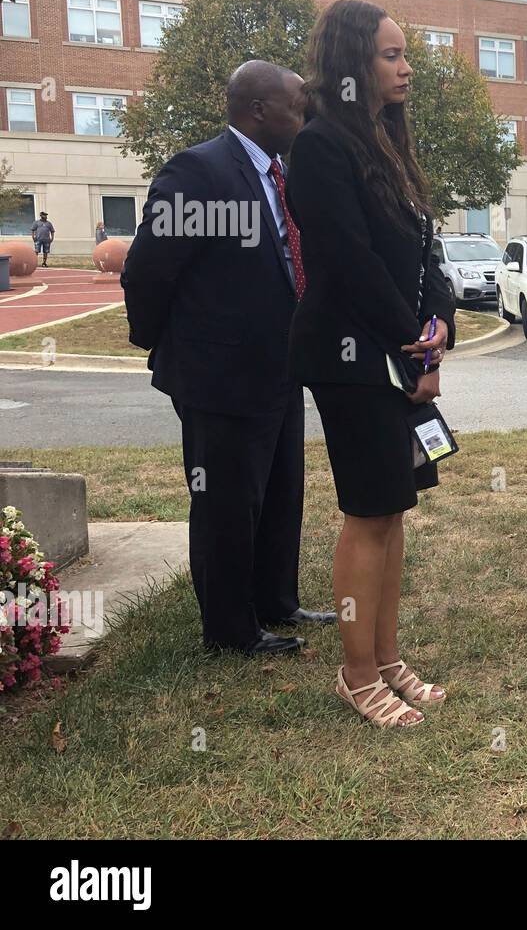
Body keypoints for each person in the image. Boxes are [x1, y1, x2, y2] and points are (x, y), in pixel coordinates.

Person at [121, 60, 334, 656]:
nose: (306, 115)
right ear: (258, 110)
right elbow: (148, 269)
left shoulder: (284, 174)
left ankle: (275, 602)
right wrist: (170, 346)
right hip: (218, 376)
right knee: (226, 504)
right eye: (297, 106)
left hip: (280, 366)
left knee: (281, 491)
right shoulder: (199, 170)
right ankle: (229, 629)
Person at [287, 0, 457, 729]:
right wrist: (413, 343)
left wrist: (440, 323)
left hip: (398, 351)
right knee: (366, 511)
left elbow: (425, 254)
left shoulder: (388, 142)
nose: (406, 67)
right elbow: (349, 263)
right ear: (352, 62)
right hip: (350, 357)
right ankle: (356, 674)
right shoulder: (321, 146)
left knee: (393, 506)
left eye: (404, 53)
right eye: (391, 55)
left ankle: (386, 658)